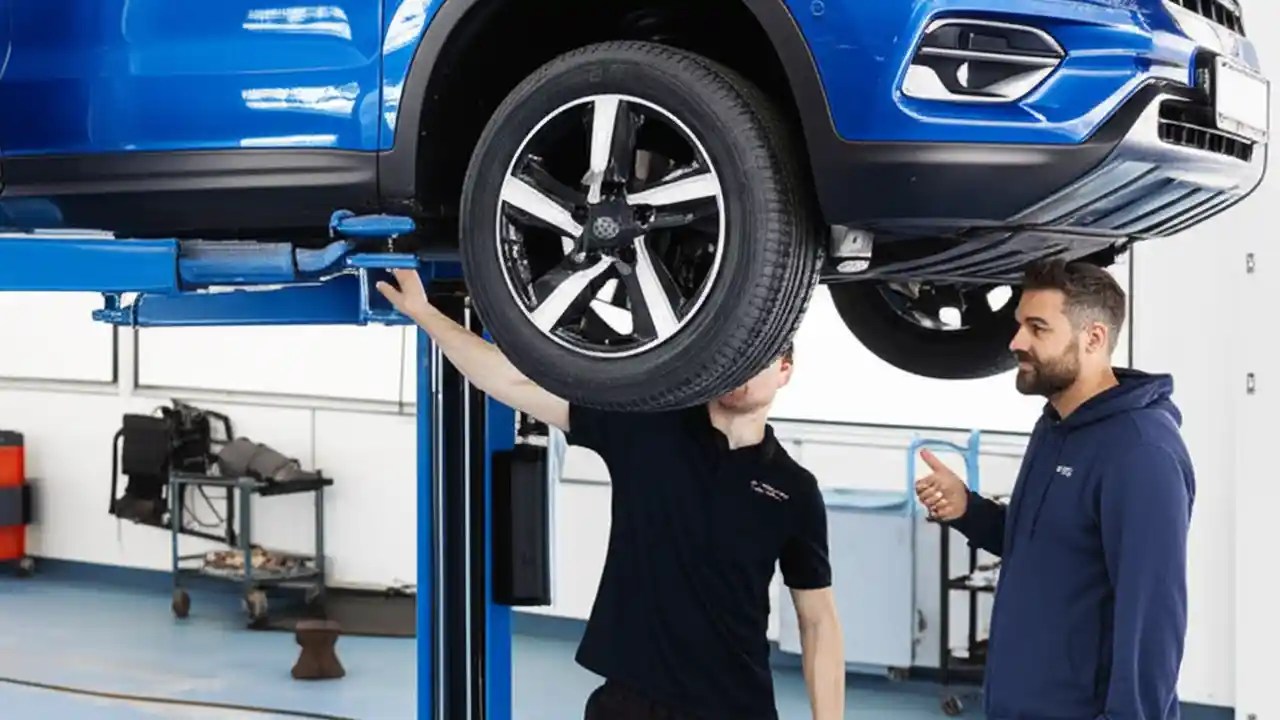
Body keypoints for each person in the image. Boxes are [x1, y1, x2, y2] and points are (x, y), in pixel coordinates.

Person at [376, 268, 845, 720]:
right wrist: (425, 314)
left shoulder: (793, 490)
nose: (740, 370)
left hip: (736, 705)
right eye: (733, 354)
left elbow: (818, 620)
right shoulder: (649, 424)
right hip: (630, 701)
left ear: (785, 370)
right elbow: (513, 381)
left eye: (757, 357)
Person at [916, 258, 1195, 719]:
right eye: (1019, 325)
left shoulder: (1141, 453)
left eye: (1037, 328)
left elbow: (1153, 619)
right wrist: (969, 509)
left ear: (1094, 338)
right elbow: (1043, 545)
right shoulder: (1054, 426)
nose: (1015, 342)